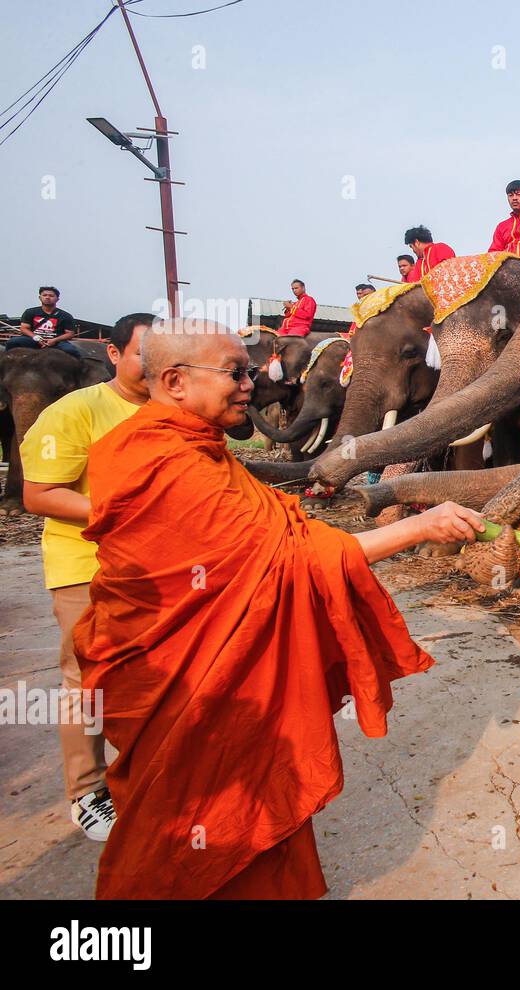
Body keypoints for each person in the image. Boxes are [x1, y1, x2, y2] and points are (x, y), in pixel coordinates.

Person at [74, 319, 487, 899]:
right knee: (188, 822)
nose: (252, 384)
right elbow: (288, 559)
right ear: (174, 381)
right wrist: (420, 526)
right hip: (186, 681)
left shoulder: (195, 450)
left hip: (220, 674)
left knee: (248, 813)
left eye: (249, 371)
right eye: (236, 373)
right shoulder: (163, 461)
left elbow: (267, 543)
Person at [20, 312, 154, 842]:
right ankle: (87, 789)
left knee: (154, 675)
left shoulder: (177, 414)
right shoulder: (78, 410)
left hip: (160, 568)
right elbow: (39, 494)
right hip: (89, 568)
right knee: (86, 679)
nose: (159, 365)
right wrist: (122, 510)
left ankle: (142, 775)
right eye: (145, 353)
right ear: (115, 355)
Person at [7, 287, 81, 356]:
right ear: (40, 297)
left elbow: (70, 333)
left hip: (56, 341)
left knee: (71, 351)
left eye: (51, 296)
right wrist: (35, 337)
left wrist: (55, 340)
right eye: (44, 295)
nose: (47, 297)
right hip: (33, 339)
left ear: (57, 299)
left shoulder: (65, 315)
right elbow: (24, 328)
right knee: (13, 342)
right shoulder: (30, 312)